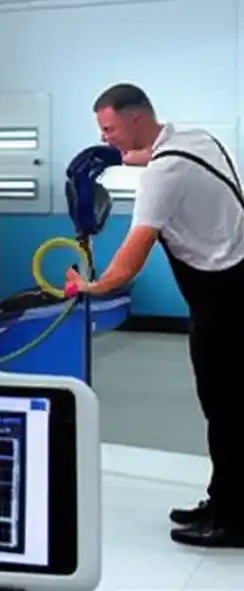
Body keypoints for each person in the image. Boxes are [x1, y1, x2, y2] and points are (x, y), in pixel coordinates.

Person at [66, 82, 244, 547]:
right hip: (234, 286)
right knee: (232, 405)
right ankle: (225, 498)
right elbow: (153, 158)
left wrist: (89, 285)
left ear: (135, 120)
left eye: (109, 129)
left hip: (224, 299)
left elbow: (129, 261)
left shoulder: (162, 178)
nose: (105, 137)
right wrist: (119, 159)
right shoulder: (194, 139)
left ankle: (234, 517)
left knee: (226, 406)